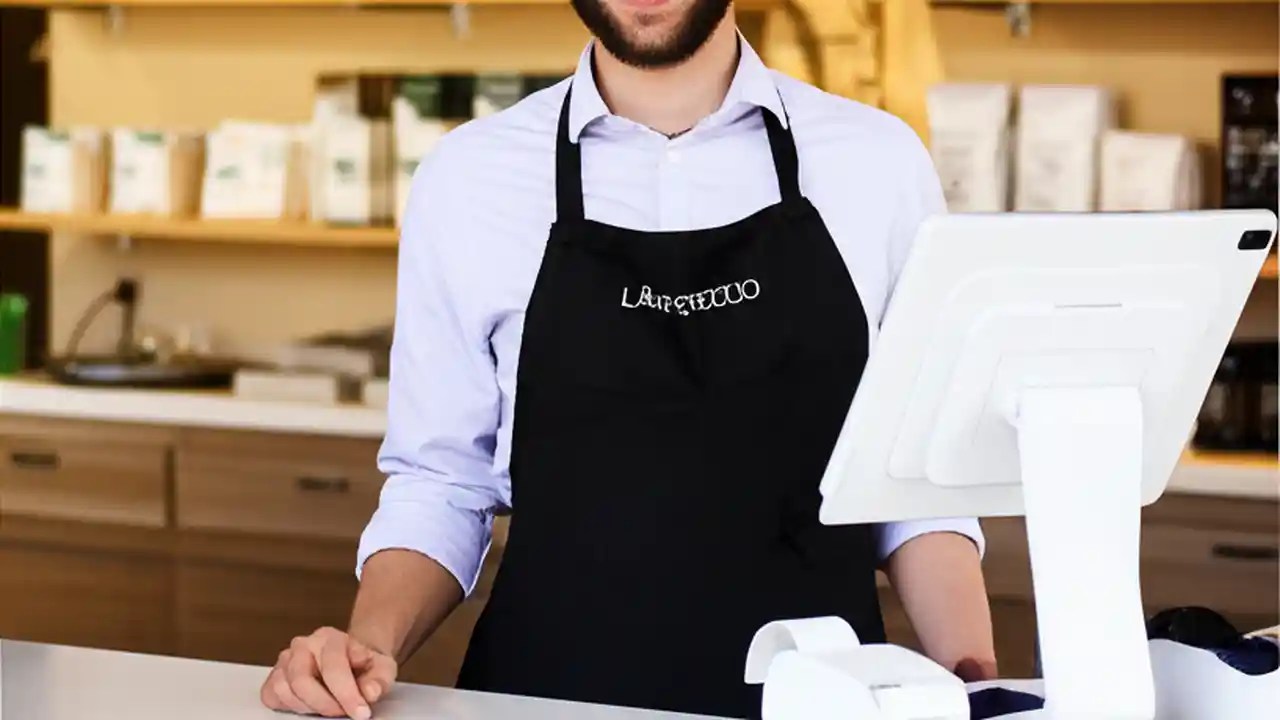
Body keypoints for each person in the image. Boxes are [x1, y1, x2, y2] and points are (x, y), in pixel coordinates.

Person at [260, 1, 997, 717]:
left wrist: (980, 690)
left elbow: (919, 490)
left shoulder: (877, 163)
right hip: (541, 698)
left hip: (816, 704)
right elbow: (443, 482)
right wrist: (365, 651)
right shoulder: (469, 177)